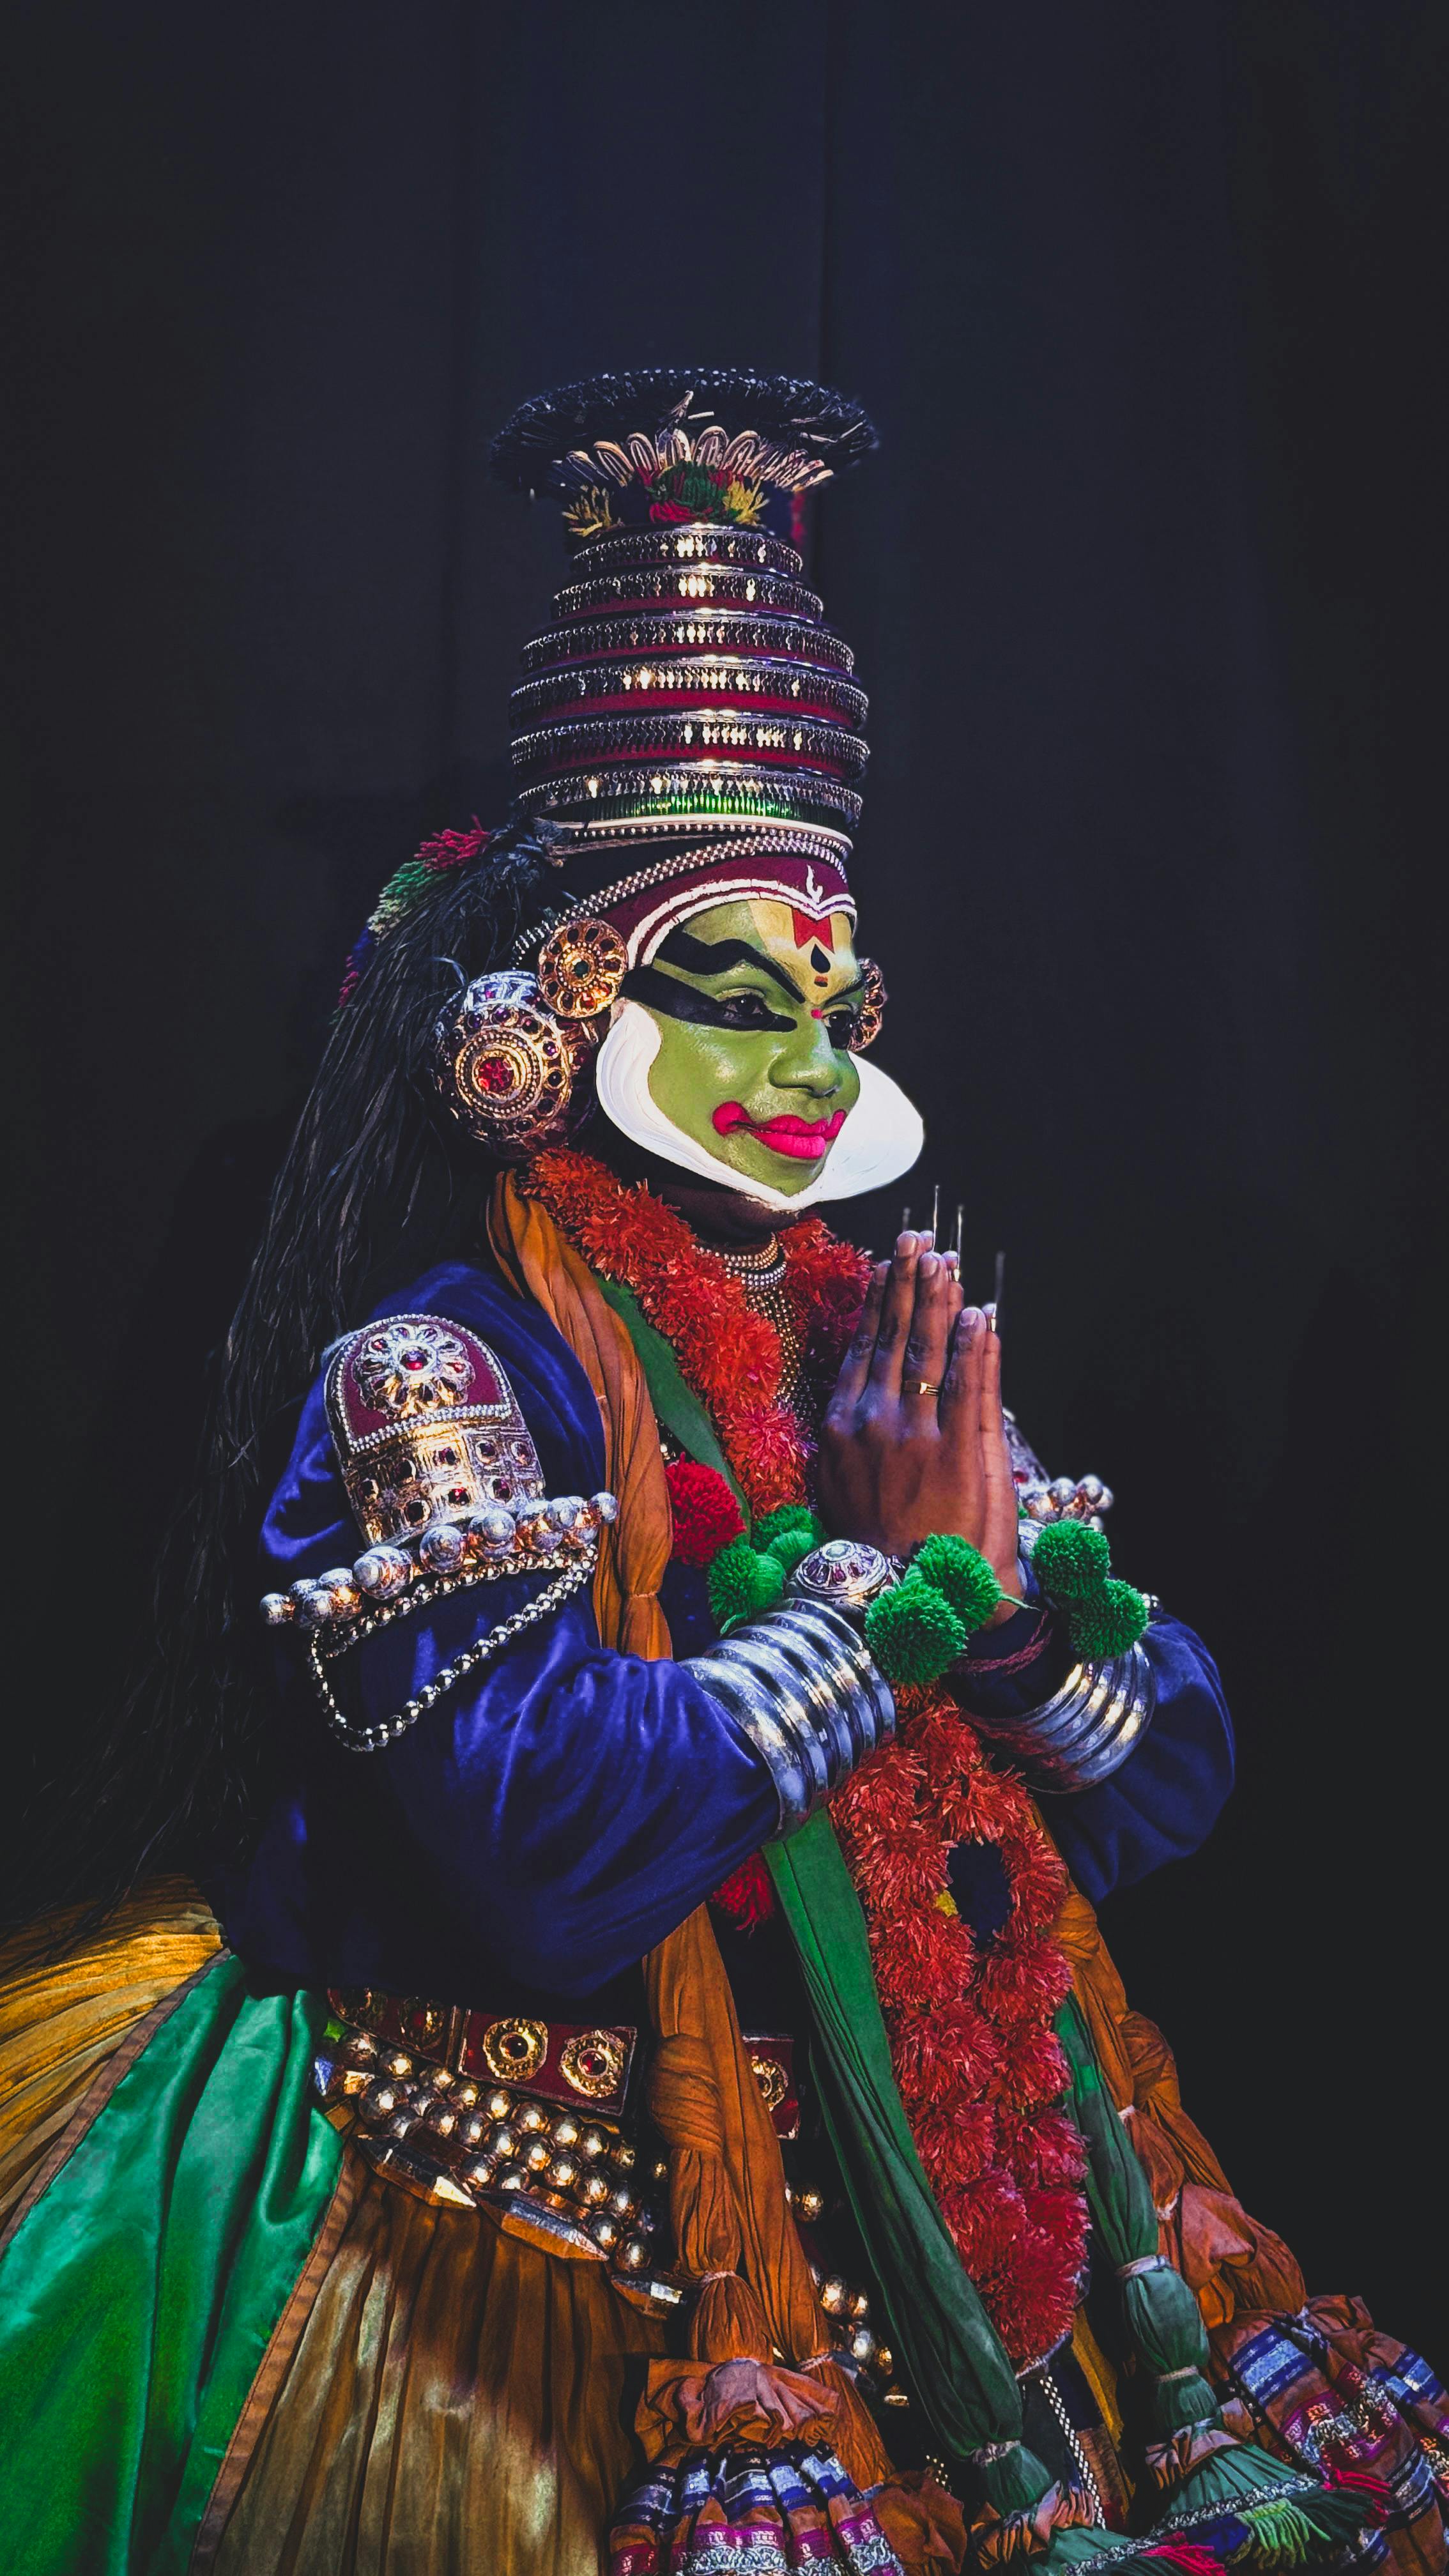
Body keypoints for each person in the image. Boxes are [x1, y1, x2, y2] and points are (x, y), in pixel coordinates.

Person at [1, 369, 1443, 2576]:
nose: (811, 1062)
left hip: (943, 2216)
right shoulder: (436, 1376)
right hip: (532, 2228)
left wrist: (1001, 1620)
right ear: (550, 1021)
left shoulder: (872, 1348)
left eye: (839, 1008)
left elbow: (1166, 1784)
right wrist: (878, 1598)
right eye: (739, 994)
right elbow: (551, 1850)